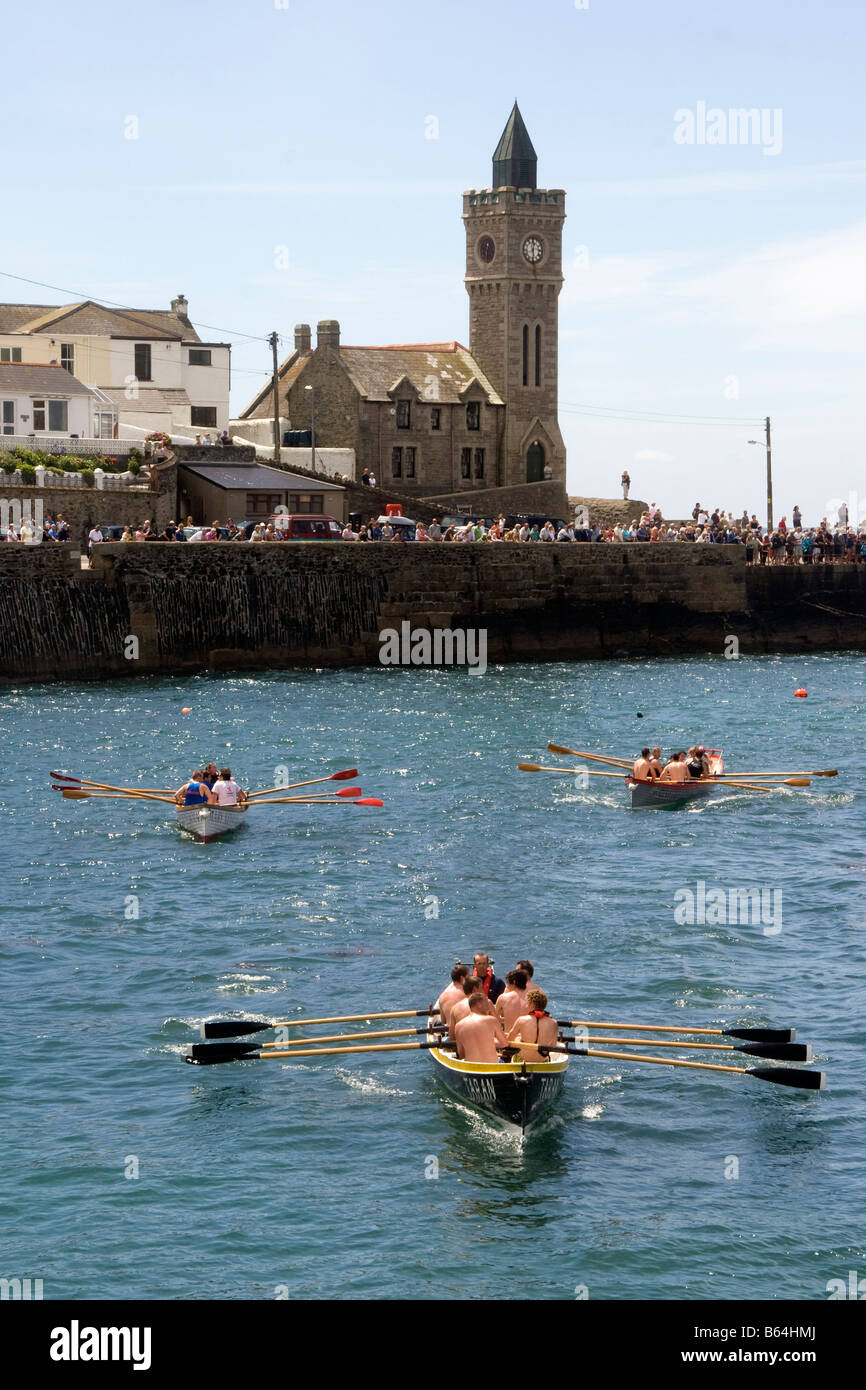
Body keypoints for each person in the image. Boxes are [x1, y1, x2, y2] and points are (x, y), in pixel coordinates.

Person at [507, 988, 559, 1062]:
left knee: (517, 1040)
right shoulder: (554, 1023)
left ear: (532, 1004)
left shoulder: (521, 1020)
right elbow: (554, 1045)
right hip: (542, 1059)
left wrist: (520, 1040)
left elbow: (509, 1039)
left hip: (525, 1058)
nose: (526, 1006)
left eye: (527, 1003)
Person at [453, 994, 508, 1064]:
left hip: (472, 1067)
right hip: (492, 1066)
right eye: (486, 1002)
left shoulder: (458, 1026)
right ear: (479, 1004)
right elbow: (504, 1043)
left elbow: (461, 1054)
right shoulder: (491, 1020)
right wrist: (489, 1041)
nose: (489, 1005)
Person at [435, 964, 470, 1029]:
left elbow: (444, 1021)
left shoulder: (442, 996)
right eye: (468, 977)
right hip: (466, 1032)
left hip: (450, 1034)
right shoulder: (467, 992)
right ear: (462, 978)